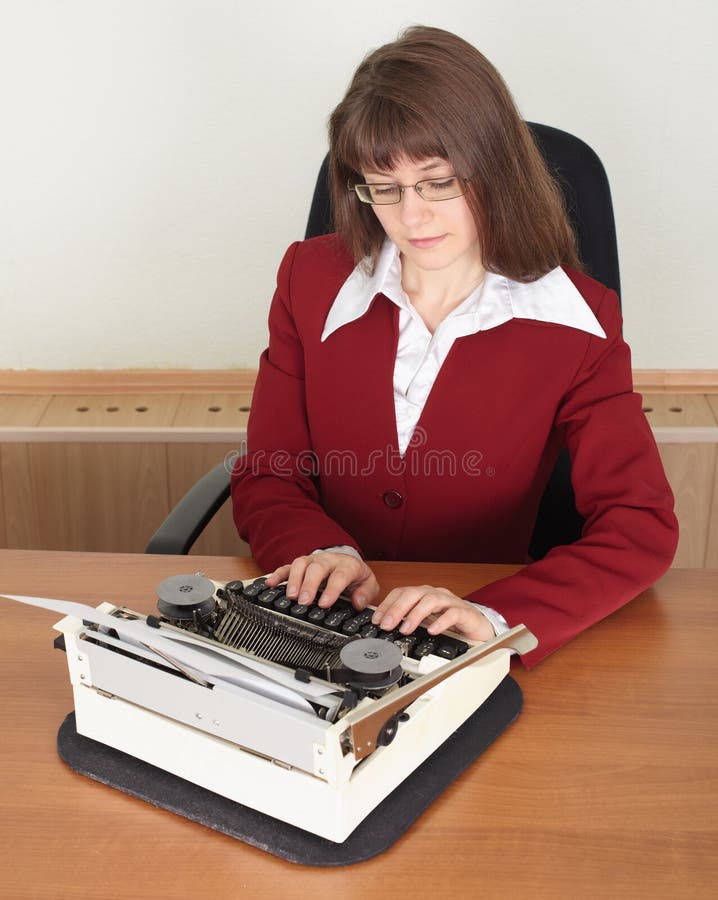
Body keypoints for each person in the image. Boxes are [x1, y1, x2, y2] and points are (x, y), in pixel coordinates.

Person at [231, 25, 678, 668]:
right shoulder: (309, 279)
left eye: (438, 182)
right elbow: (271, 470)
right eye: (383, 187)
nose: (411, 218)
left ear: (493, 168)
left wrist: (496, 616)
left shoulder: (580, 323)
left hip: (459, 639)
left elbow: (641, 526)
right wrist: (323, 549)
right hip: (318, 630)